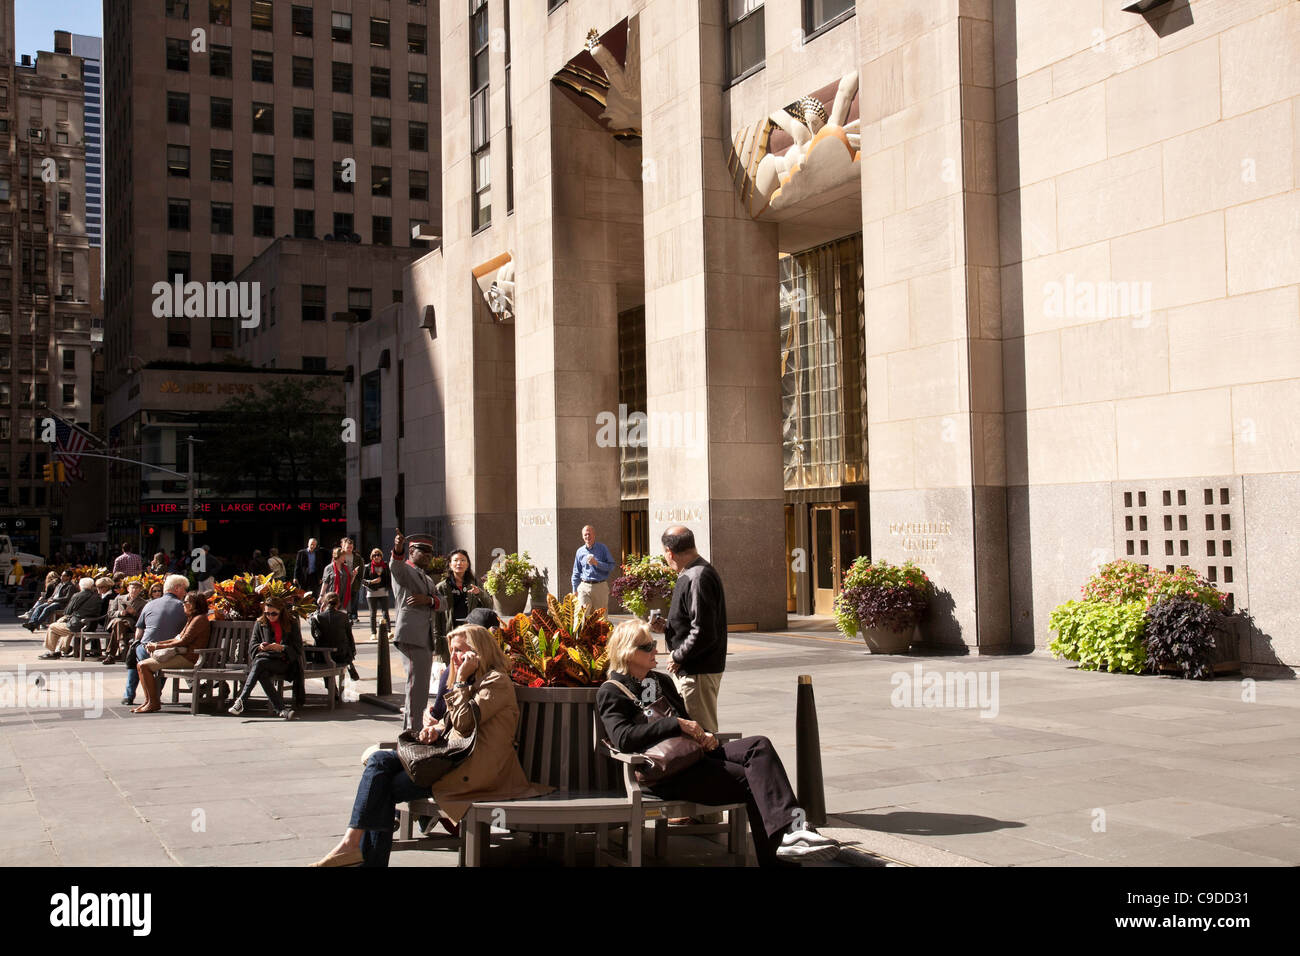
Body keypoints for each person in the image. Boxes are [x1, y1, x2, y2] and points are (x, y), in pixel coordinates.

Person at [598, 620, 839, 866]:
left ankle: (793, 832)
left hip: (694, 756)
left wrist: (704, 735)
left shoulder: (661, 681)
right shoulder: (612, 691)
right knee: (753, 781)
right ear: (628, 652)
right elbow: (623, 738)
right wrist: (677, 725)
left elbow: (686, 721)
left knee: (759, 746)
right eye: (648, 646)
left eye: (653, 643)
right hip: (667, 774)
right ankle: (789, 839)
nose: (656, 649)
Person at [310, 624, 553, 867]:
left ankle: (355, 849)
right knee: (379, 761)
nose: (455, 657)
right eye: (453, 651)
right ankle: (352, 845)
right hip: (455, 757)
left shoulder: (496, 682)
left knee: (384, 788)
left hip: (476, 769)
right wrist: (435, 730)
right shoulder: (472, 679)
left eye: (460, 650)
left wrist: (458, 682)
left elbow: (466, 722)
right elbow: (455, 725)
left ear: (478, 651)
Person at [650, 526, 727, 735]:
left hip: (697, 671)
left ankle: (711, 768)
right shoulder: (695, 573)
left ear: (669, 552)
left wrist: (678, 655)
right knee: (694, 730)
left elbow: (703, 631)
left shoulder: (698, 576)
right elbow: (697, 623)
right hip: (693, 668)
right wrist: (668, 626)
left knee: (701, 732)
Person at [388, 529, 444, 733]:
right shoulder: (405, 571)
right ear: (411, 551)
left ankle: (412, 728)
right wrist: (397, 548)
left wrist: (429, 600)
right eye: (424, 552)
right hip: (411, 635)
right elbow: (395, 565)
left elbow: (443, 603)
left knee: (420, 686)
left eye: (430, 553)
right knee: (416, 686)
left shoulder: (427, 579)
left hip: (425, 637)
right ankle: (413, 731)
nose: (428, 557)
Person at [133, 592, 211, 714]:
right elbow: (178, 638)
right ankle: (149, 701)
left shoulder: (199, 619)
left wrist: (158, 646)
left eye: (186, 602)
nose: (183, 604)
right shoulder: (192, 618)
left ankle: (153, 702)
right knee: (141, 665)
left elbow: (184, 641)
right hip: (183, 655)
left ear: (194, 605)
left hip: (190, 658)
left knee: (143, 666)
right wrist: (157, 644)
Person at [228, 597, 304, 719]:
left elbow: (298, 648)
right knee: (261, 671)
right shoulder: (260, 623)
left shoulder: (291, 623)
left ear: (281, 611)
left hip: (285, 662)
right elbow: (252, 645)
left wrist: (282, 648)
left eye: (274, 613)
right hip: (266, 659)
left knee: (259, 664)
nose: (270, 616)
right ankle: (282, 710)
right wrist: (260, 647)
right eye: (267, 613)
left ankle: (241, 700)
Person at [123, 574, 191, 707]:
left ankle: (128, 695)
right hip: (166, 650)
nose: (185, 592)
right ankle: (155, 695)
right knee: (164, 658)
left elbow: (140, 630)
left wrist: (137, 643)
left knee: (136, 658)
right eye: (184, 589)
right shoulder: (183, 606)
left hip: (146, 648)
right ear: (177, 588)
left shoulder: (149, 604)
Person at [432, 549, 490, 663]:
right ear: (450, 564)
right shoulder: (441, 587)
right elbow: (436, 618)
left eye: (463, 560)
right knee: (452, 668)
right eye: (456, 560)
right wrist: (437, 644)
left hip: (470, 635)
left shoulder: (475, 584)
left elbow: (489, 606)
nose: (459, 563)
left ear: (468, 564)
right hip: (451, 634)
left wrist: (479, 594)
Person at [38, 577, 103, 660]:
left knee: (52, 627)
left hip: (78, 625)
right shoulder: (97, 597)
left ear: (80, 586)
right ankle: (62, 649)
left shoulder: (77, 595)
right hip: (92, 625)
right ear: (91, 586)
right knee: (63, 626)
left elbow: (67, 611)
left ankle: (52, 652)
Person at [310, 591, 359, 682]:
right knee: (343, 642)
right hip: (342, 655)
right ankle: (350, 664)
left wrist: (320, 612)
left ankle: (332, 689)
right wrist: (352, 654)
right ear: (338, 603)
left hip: (324, 657)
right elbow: (350, 637)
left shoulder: (317, 618)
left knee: (323, 649)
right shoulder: (344, 616)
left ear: (324, 603)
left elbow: (316, 637)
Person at [571, 525, 615, 616]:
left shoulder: (602, 548)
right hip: (584, 586)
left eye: (589, 534)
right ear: (582, 536)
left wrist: (597, 563)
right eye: (585, 535)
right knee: (582, 615)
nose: (587, 536)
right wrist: (574, 589)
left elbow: (611, 566)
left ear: (594, 535)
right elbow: (576, 571)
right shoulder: (580, 551)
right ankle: (582, 630)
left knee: (601, 618)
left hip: (600, 586)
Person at [102, 578, 148, 664]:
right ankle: (121, 642)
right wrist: (120, 613)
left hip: (130, 624)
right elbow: (110, 613)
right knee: (118, 622)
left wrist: (134, 613)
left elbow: (143, 619)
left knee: (118, 624)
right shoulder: (119, 598)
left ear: (140, 590)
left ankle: (111, 655)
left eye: (137, 588)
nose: (134, 590)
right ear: (128, 589)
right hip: (117, 621)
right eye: (132, 588)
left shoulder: (143, 602)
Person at [361, 548, 392, 638]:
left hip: (383, 591)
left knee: (385, 613)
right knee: (372, 613)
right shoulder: (368, 567)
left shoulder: (385, 566)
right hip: (371, 593)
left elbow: (389, 578)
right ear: (372, 557)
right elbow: (363, 581)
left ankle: (388, 631)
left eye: (378, 555)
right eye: (374, 555)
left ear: (381, 556)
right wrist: (372, 582)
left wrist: (389, 586)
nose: (376, 557)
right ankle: (373, 633)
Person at [319, 546, 355, 615]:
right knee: (331, 616)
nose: (345, 558)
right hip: (332, 597)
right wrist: (321, 596)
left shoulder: (346, 567)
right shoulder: (328, 568)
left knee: (342, 617)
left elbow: (349, 583)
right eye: (343, 556)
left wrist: (353, 575)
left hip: (344, 596)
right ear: (338, 556)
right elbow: (325, 583)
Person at [339, 537, 361, 623]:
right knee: (345, 598)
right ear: (344, 547)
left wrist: (359, 579)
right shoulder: (340, 555)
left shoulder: (356, 557)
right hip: (343, 581)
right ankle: (346, 615)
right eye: (348, 547)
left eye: (351, 547)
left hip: (355, 580)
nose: (349, 549)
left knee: (354, 598)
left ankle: (354, 615)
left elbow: (361, 569)